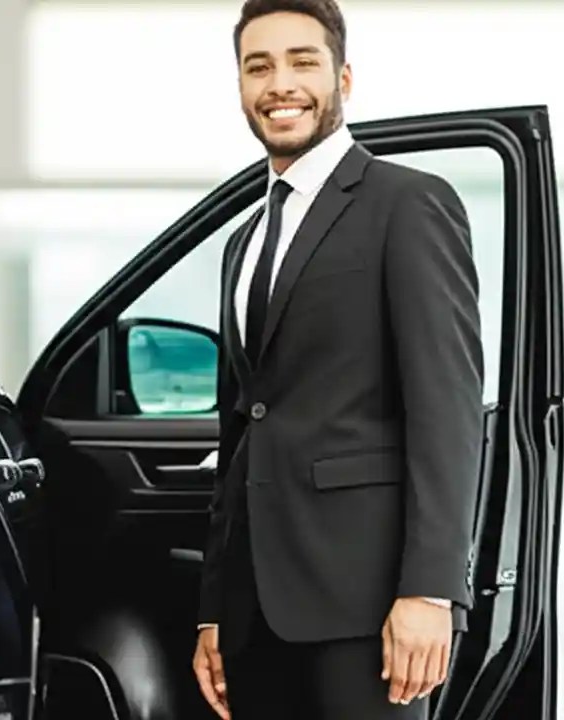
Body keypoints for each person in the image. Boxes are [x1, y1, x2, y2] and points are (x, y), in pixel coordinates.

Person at [191, 1, 482, 718]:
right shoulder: (246, 238)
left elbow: (446, 409)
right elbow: (243, 432)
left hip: (370, 607)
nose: (279, 84)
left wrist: (430, 590)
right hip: (257, 611)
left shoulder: (407, 204)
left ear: (343, 79)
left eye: (302, 62)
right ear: (239, 86)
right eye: (258, 67)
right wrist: (213, 611)